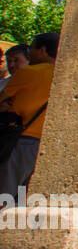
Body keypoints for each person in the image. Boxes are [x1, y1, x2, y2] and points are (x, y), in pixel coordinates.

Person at [0, 32, 56, 199]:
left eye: (31, 49)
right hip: (47, 144)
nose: (30, 53)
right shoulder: (65, 75)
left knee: (4, 195)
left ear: (42, 50)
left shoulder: (28, 74)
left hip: (19, 140)